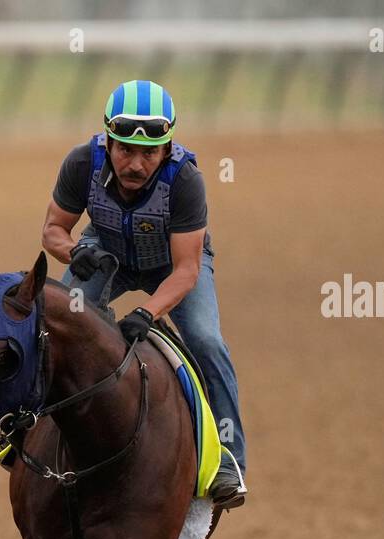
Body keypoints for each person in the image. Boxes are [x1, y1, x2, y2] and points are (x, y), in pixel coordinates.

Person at [41, 79, 247, 508]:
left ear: (167, 148)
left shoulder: (186, 180)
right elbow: (53, 230)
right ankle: (32, 435)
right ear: (107, 141)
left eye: (149, 153)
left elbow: (188, 269)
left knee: (207, 341)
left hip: (171, 265)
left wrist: (147, 313)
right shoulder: (81, 163)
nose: (135, 163)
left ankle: (229, 459)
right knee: (57, 324)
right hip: (106, 251)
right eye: (124, 150)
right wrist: (75, 251)